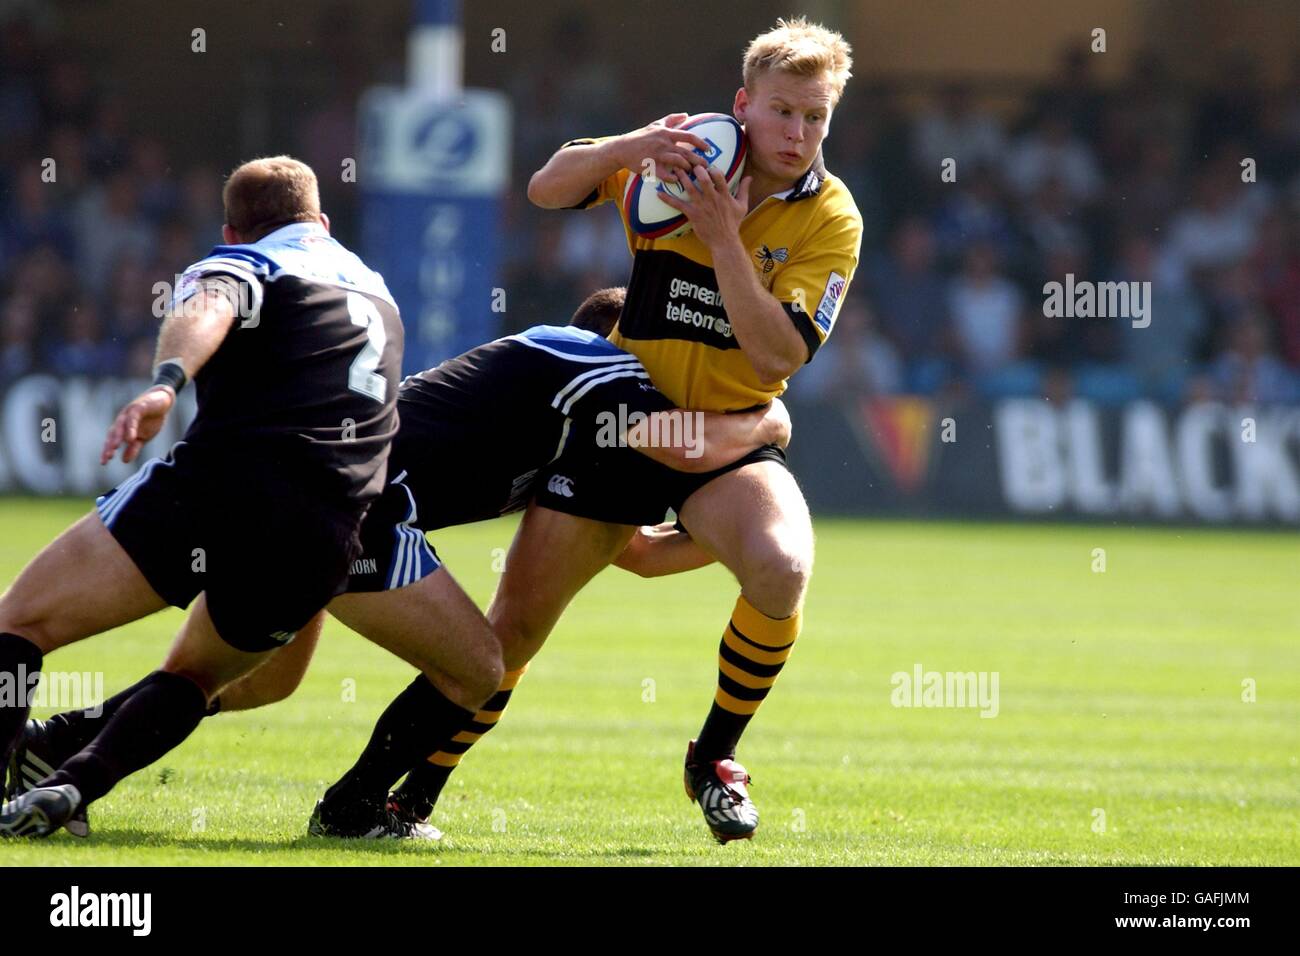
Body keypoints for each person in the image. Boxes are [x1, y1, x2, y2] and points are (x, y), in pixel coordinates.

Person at [6, 287, 788, 839]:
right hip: (355, 509)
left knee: (262, 676)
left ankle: (57, 748)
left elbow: (638, 556)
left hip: (301, 486)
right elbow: (680, 441)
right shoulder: (599, 368)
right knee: (481, 665)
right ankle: (354, 809)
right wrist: (763, 421)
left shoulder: (560, 411)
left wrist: (718, 551)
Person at [384, 16, 864, 844]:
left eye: (815, 117)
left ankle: (713, 757)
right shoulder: (682, 154)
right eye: (783, 111)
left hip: (730, 437)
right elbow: (545, 186)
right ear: (744, 104)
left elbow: (780, 348)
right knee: (513, 633)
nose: (798, 133)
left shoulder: (831, 218)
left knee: (781, 567)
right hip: (626, 425)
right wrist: (627, 146)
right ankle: (410, 796)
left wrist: (723, 246)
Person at [0, 156, 489, 839]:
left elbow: (210, 307)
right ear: (321, 221)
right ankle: (68, 787)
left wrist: (166, 381)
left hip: (222, 484)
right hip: (328, 528)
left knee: (21, 621)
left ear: (233, 232)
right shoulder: (380, 291)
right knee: (198, 679)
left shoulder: (247, 263)